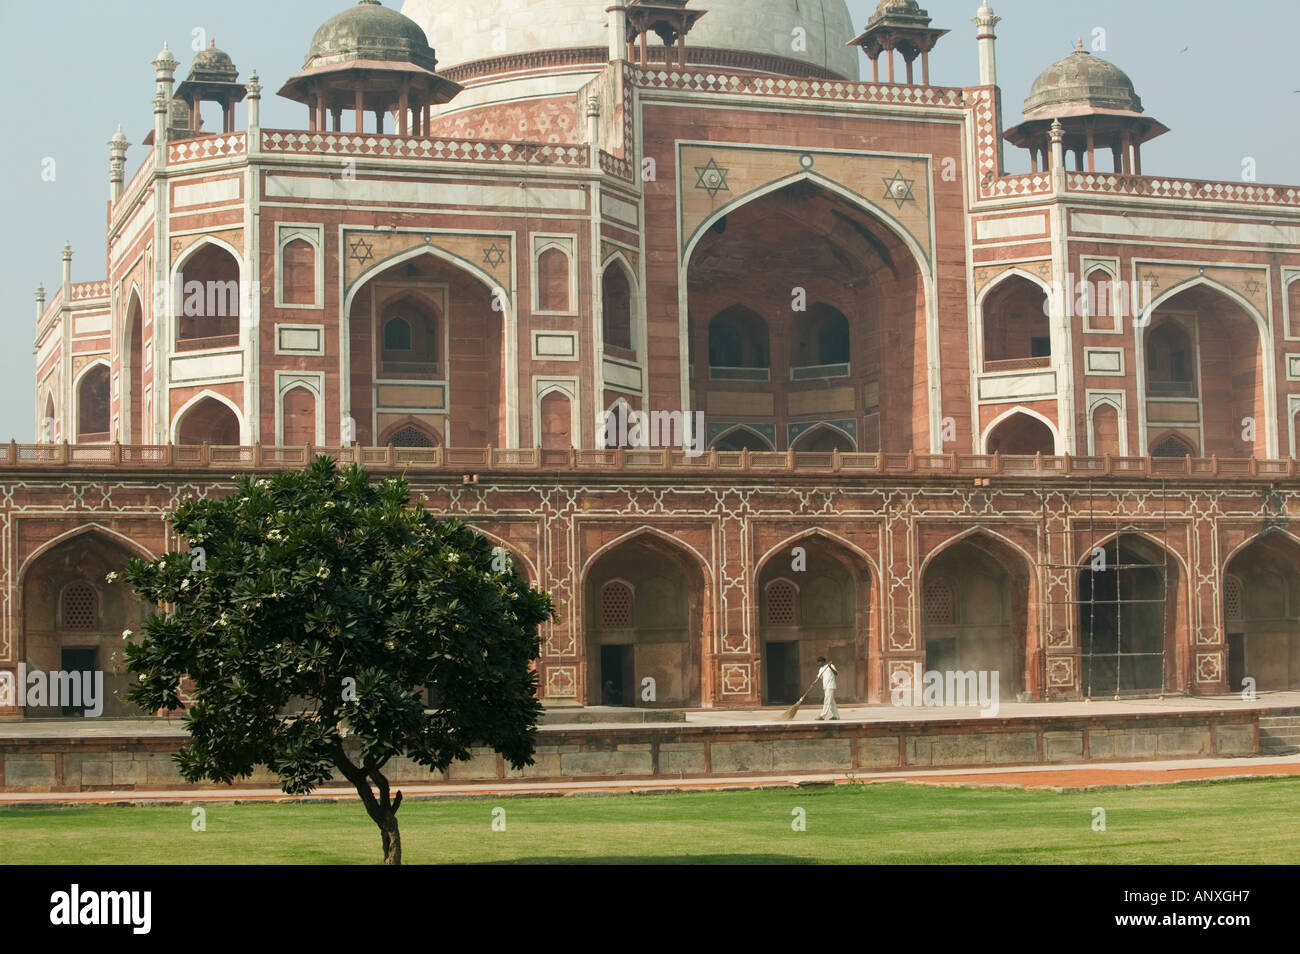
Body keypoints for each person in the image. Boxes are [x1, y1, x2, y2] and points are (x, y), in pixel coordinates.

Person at [815, 656, 839, 721]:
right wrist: (814, 682)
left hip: (830, 686)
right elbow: (819, 677)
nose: (818, 664)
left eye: (819, 662)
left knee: (827, 701)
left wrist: (830, 667)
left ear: (822, 662)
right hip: (825, 687)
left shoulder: (831, 666)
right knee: (831, 702)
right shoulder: (821, 669)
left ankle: (822, 716)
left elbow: (836, 673)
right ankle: (836, 716)